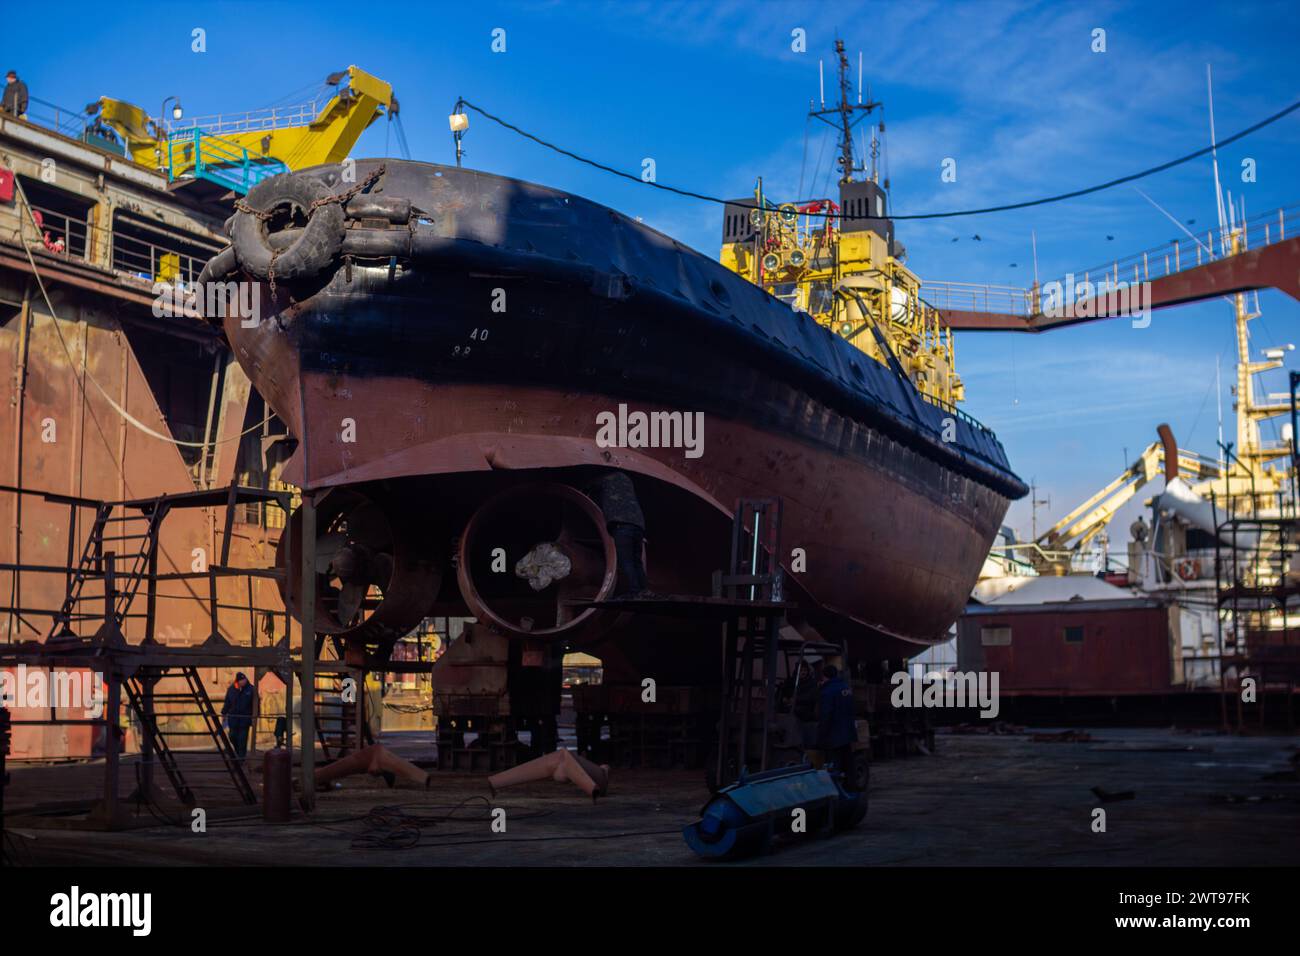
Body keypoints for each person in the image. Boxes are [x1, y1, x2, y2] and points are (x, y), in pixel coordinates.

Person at [583, 470, 649, 598]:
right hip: (638, 525)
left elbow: (589, 486)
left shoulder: (604, 478)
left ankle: (635, 591)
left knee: (626, 561)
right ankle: (644, 591)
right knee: (637, 561)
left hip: (621, 525)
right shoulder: (627, 480)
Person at [816, 664, 858, 787]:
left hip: (835, 733)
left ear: (825, 676)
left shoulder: (827, 691)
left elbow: (826, 714)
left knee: (835, 763)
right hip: (848, 731)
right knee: (849, 761)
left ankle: (836, 789)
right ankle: (851, 786)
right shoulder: (845, 688)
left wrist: (821, 735)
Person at [221, 672, 255, 760]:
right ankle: (238, 753)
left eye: (244, 679)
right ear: (238, 681)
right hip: (233, 719)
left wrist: (255, 716)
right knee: (232, 736)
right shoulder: (231, 689)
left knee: (242, 740)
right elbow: (227, 702)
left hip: (245, 719)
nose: (243, 681)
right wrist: (223, 713)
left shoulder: (251, 689)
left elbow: (255, 704)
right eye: (241, 680)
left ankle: (241, 758)